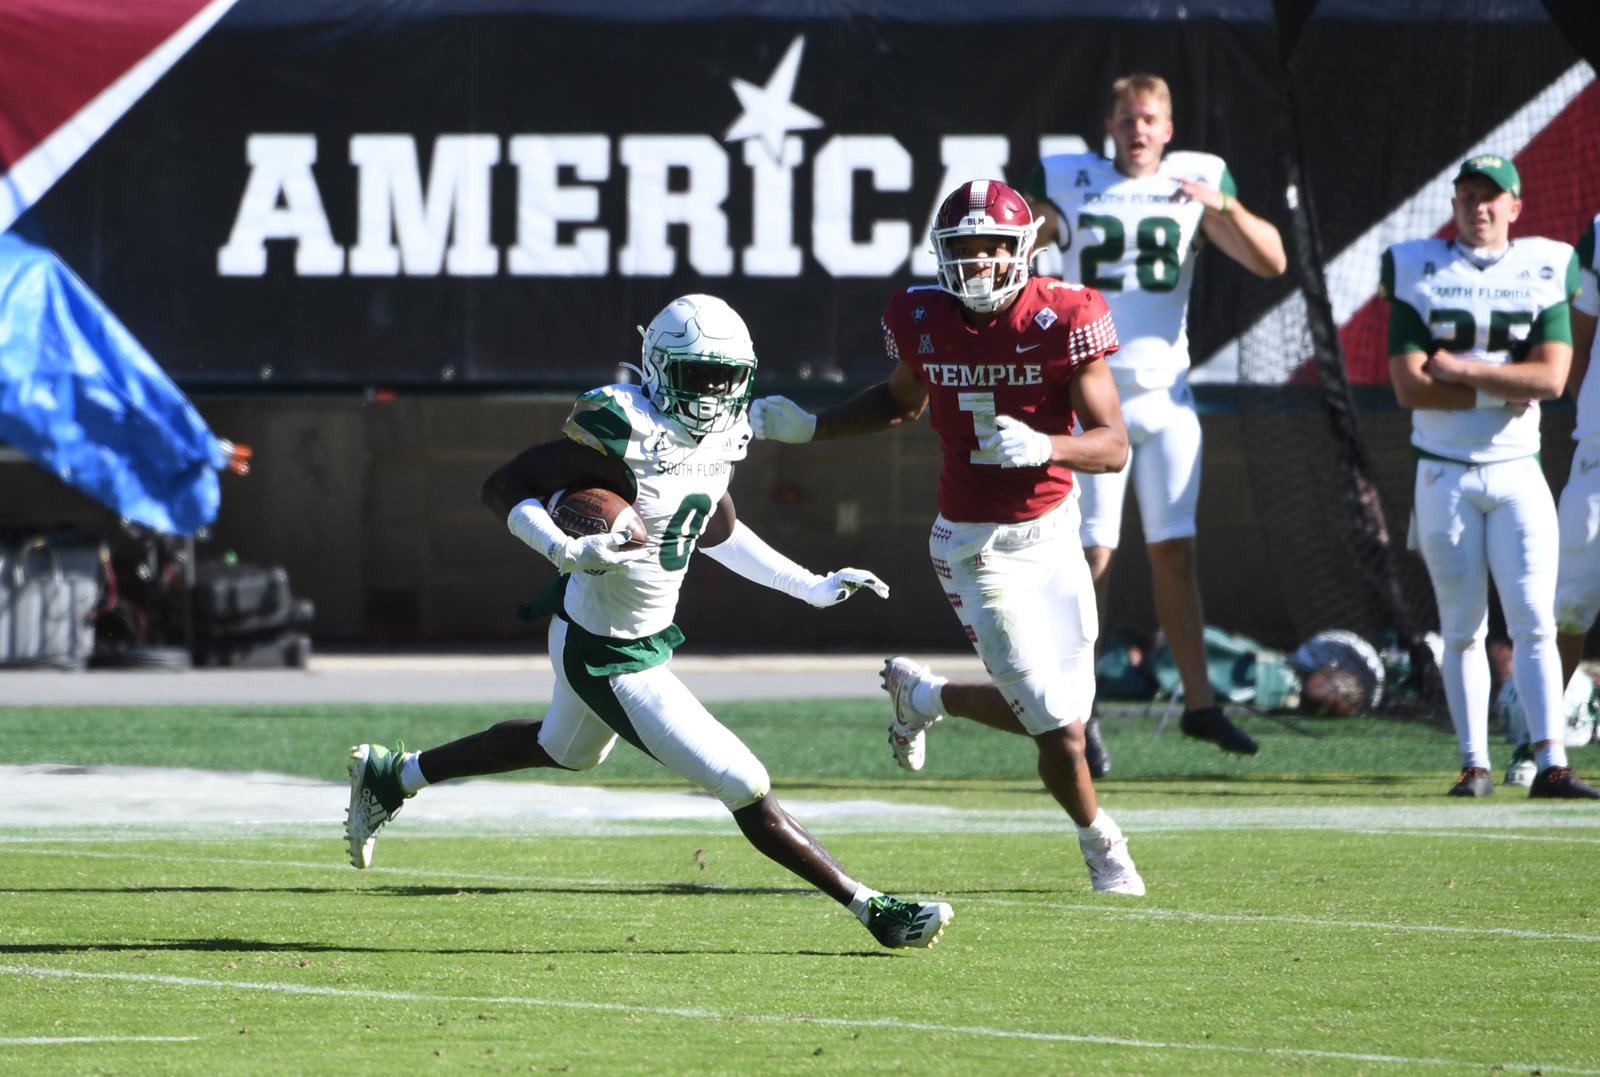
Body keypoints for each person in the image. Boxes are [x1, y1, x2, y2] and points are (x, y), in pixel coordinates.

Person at [343, 294, 957, 949]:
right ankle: (875, 911)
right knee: (745, 780)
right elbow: (504, 484)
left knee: (561, 749)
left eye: (726, 377)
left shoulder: (727, 430)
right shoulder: (621, 425)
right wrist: (564, 547)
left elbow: (714, 526)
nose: (713, 393)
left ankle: (394, 773)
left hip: (620, 635)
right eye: (699, 375)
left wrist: (807, 585)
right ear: (660, 367)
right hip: (607, 652)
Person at [749, 179, 1145, 896]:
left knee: (1068, 720)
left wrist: (1049, 445)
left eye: (995, 247)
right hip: (975, 548)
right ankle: (1101, 841)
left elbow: (1114, 444)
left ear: (1023, 251)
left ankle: (924, 695)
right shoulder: (922, 315)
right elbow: (900, 401)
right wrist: (814, 426)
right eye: (964, 249)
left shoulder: (1066, 314)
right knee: (1057, 725)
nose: (979, 263)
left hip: (1054, 538)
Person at [1022, 73, 1288, 775]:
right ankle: (1080, 711)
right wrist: (1035, 233)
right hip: (1092, 392)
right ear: (1109, 124)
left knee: (1176, 552)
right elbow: (1022, 242)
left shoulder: (1197, 181)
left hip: (1167, 395)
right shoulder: (1069, 178)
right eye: (1127, 117)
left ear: (1168, 129)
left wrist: (1220, 204)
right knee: (1092, 558)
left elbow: (1272, 259)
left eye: (1150, 119)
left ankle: (1200, 704)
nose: (1138, 129)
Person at [1380, 154, 1598, 798]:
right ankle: (1473, 763)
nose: (1479, 208)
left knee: (1535, 620)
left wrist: (1465, 371)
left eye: (1491, 197)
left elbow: (1551, 379)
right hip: (1444, 474)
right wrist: (1500, 385)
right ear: (1453, 205)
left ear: (1515, 207)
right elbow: (1408, 387)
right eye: (1468, 196)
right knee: (1461, 627)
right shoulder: (1419, 266)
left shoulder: (1545, 264)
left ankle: (1550, 760)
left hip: (1515, 470)